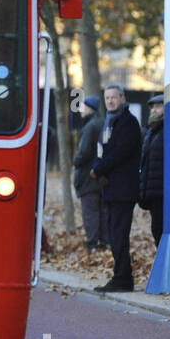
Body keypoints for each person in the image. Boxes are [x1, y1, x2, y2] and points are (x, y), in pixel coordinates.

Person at [90, 84, 142, 293]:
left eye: (114, 97)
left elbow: (118, 153)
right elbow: (102, 151)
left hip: (123, 189)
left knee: (119, 234)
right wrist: (98, 169)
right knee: (114, 234)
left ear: (123, 98)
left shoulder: (127, 123)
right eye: (107, 98)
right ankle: (121, 275)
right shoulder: (109, 123)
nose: (110, 101)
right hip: (111, 187)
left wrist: (99, 170)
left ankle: (123, 278)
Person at [72, 94, 106, 252]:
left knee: (90, 213)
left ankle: (92, 244)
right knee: (102, 211)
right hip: (101, 176)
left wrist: (75, 161)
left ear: (91, 109)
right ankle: (104, 243)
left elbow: (83, 152)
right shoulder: (103, 123)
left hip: (87, 177)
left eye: (84, 107)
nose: (81, 110)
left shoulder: (90, 126)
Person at [138, 93, 165, 246]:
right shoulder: (151, 131)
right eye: (152, 107)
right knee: (156, 230)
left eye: (158, 106)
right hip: (153, 191)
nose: (154, 110)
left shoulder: (167, 130)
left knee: (159, 229)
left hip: (162, 191)